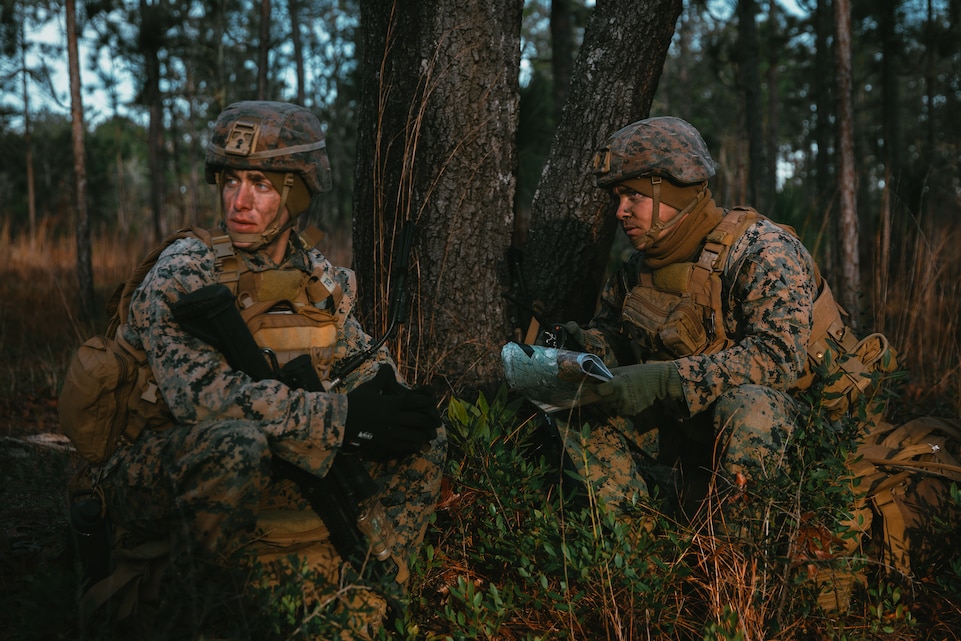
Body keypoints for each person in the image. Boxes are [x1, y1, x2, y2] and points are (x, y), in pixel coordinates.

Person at [97, 101, 446, 632]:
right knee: (235, 443)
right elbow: (203, 400)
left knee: (424, 438)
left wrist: (391, 398)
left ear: (298, 190)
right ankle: (195, 619)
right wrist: (342, 419)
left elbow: (359, 361)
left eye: (261, 183)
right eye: (231, 181)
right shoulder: (185, 269)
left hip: (273, 452)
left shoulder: (318, 277)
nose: (239, 201)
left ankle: (370, 603)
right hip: (160, 464)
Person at [556, 116, 821, 519]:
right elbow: (613, 333)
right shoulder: (637, 269)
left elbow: (779, 359)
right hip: (694, 427)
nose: (620, 212)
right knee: (575, 405)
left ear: (672, 193)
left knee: (748, 405)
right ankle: (628, 551)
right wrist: (584, 351)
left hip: (802, 430)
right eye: (618, 199)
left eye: (633, 197)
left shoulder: (763, 250)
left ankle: (740, 563)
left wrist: (666, 379)